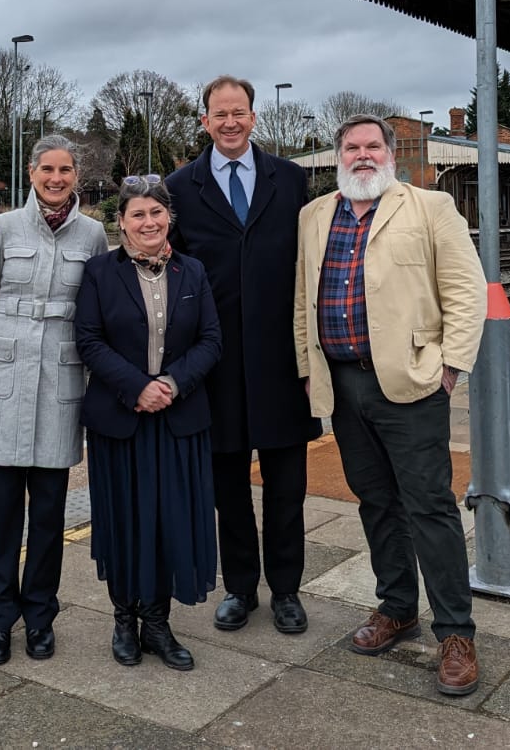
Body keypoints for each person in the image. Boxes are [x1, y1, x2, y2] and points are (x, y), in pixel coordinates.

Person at [293, 114, 487, 696]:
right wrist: (307, 369)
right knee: (375, 501)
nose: (361, 155)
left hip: (411, 385)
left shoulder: (430, 208)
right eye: (351, 147)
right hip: (344, 387)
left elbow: (465, 290)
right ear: (337, 156)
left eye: (372, 145)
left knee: (429, 506)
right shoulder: (314, 216)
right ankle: (397, 606)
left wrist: (450, 368)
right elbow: (304, 298)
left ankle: (456, 633)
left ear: (390, 153)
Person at [167, 75, 319, 636]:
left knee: (288, 486)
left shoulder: (291, 179)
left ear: (255, 117)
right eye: (219, 114)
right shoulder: (181, 187)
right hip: (216, 363)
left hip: (283, 360)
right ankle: (239, 588)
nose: (230, 122)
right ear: (204, 121)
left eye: (240, 112)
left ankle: (286, 591)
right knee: (225, 487)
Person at [0, 135, 108, 666]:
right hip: (7, 376)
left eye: (65, 170)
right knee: (0, 516)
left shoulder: (93, 234)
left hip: (61, 380)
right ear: (31, 172)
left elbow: (95, 302)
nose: (56, 178)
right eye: (47, 169)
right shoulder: (4, 228)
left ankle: (41, 618)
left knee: (49, 516)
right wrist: (9, 341)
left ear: (76, 174)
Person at [75, 174, 223, 671]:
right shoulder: (99, 273)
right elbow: (89, 340)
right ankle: (124, 619)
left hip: (179, 418)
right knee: (124, 519)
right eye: (137, 214)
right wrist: (136, 385)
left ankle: (157, 623)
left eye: (157, 213)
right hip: (121, 418)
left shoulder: (192, 272)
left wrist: (172, 384)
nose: (149, 222)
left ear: (169, 219)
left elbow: (210, 340)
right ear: (120, 222)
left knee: (168, 519)